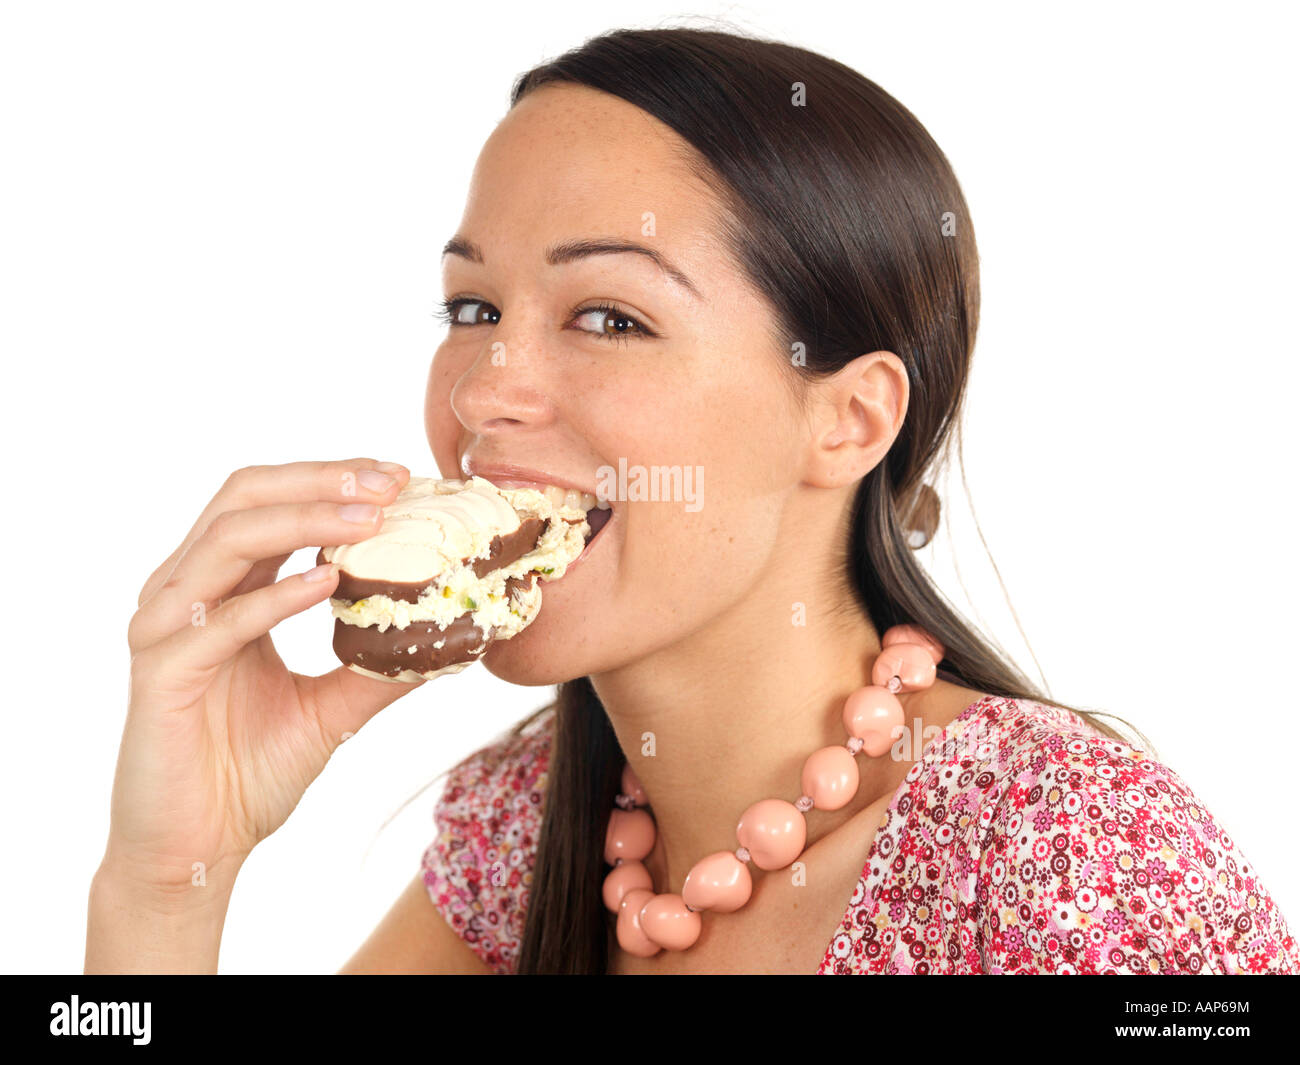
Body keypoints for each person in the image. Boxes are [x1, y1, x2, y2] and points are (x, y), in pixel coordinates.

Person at [87, 26, 1299, 975]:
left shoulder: (1063, 846)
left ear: (848, 419)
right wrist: (164, 876)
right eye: (472, 311)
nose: (487, 393)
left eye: (610, 317)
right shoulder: (519, 835)